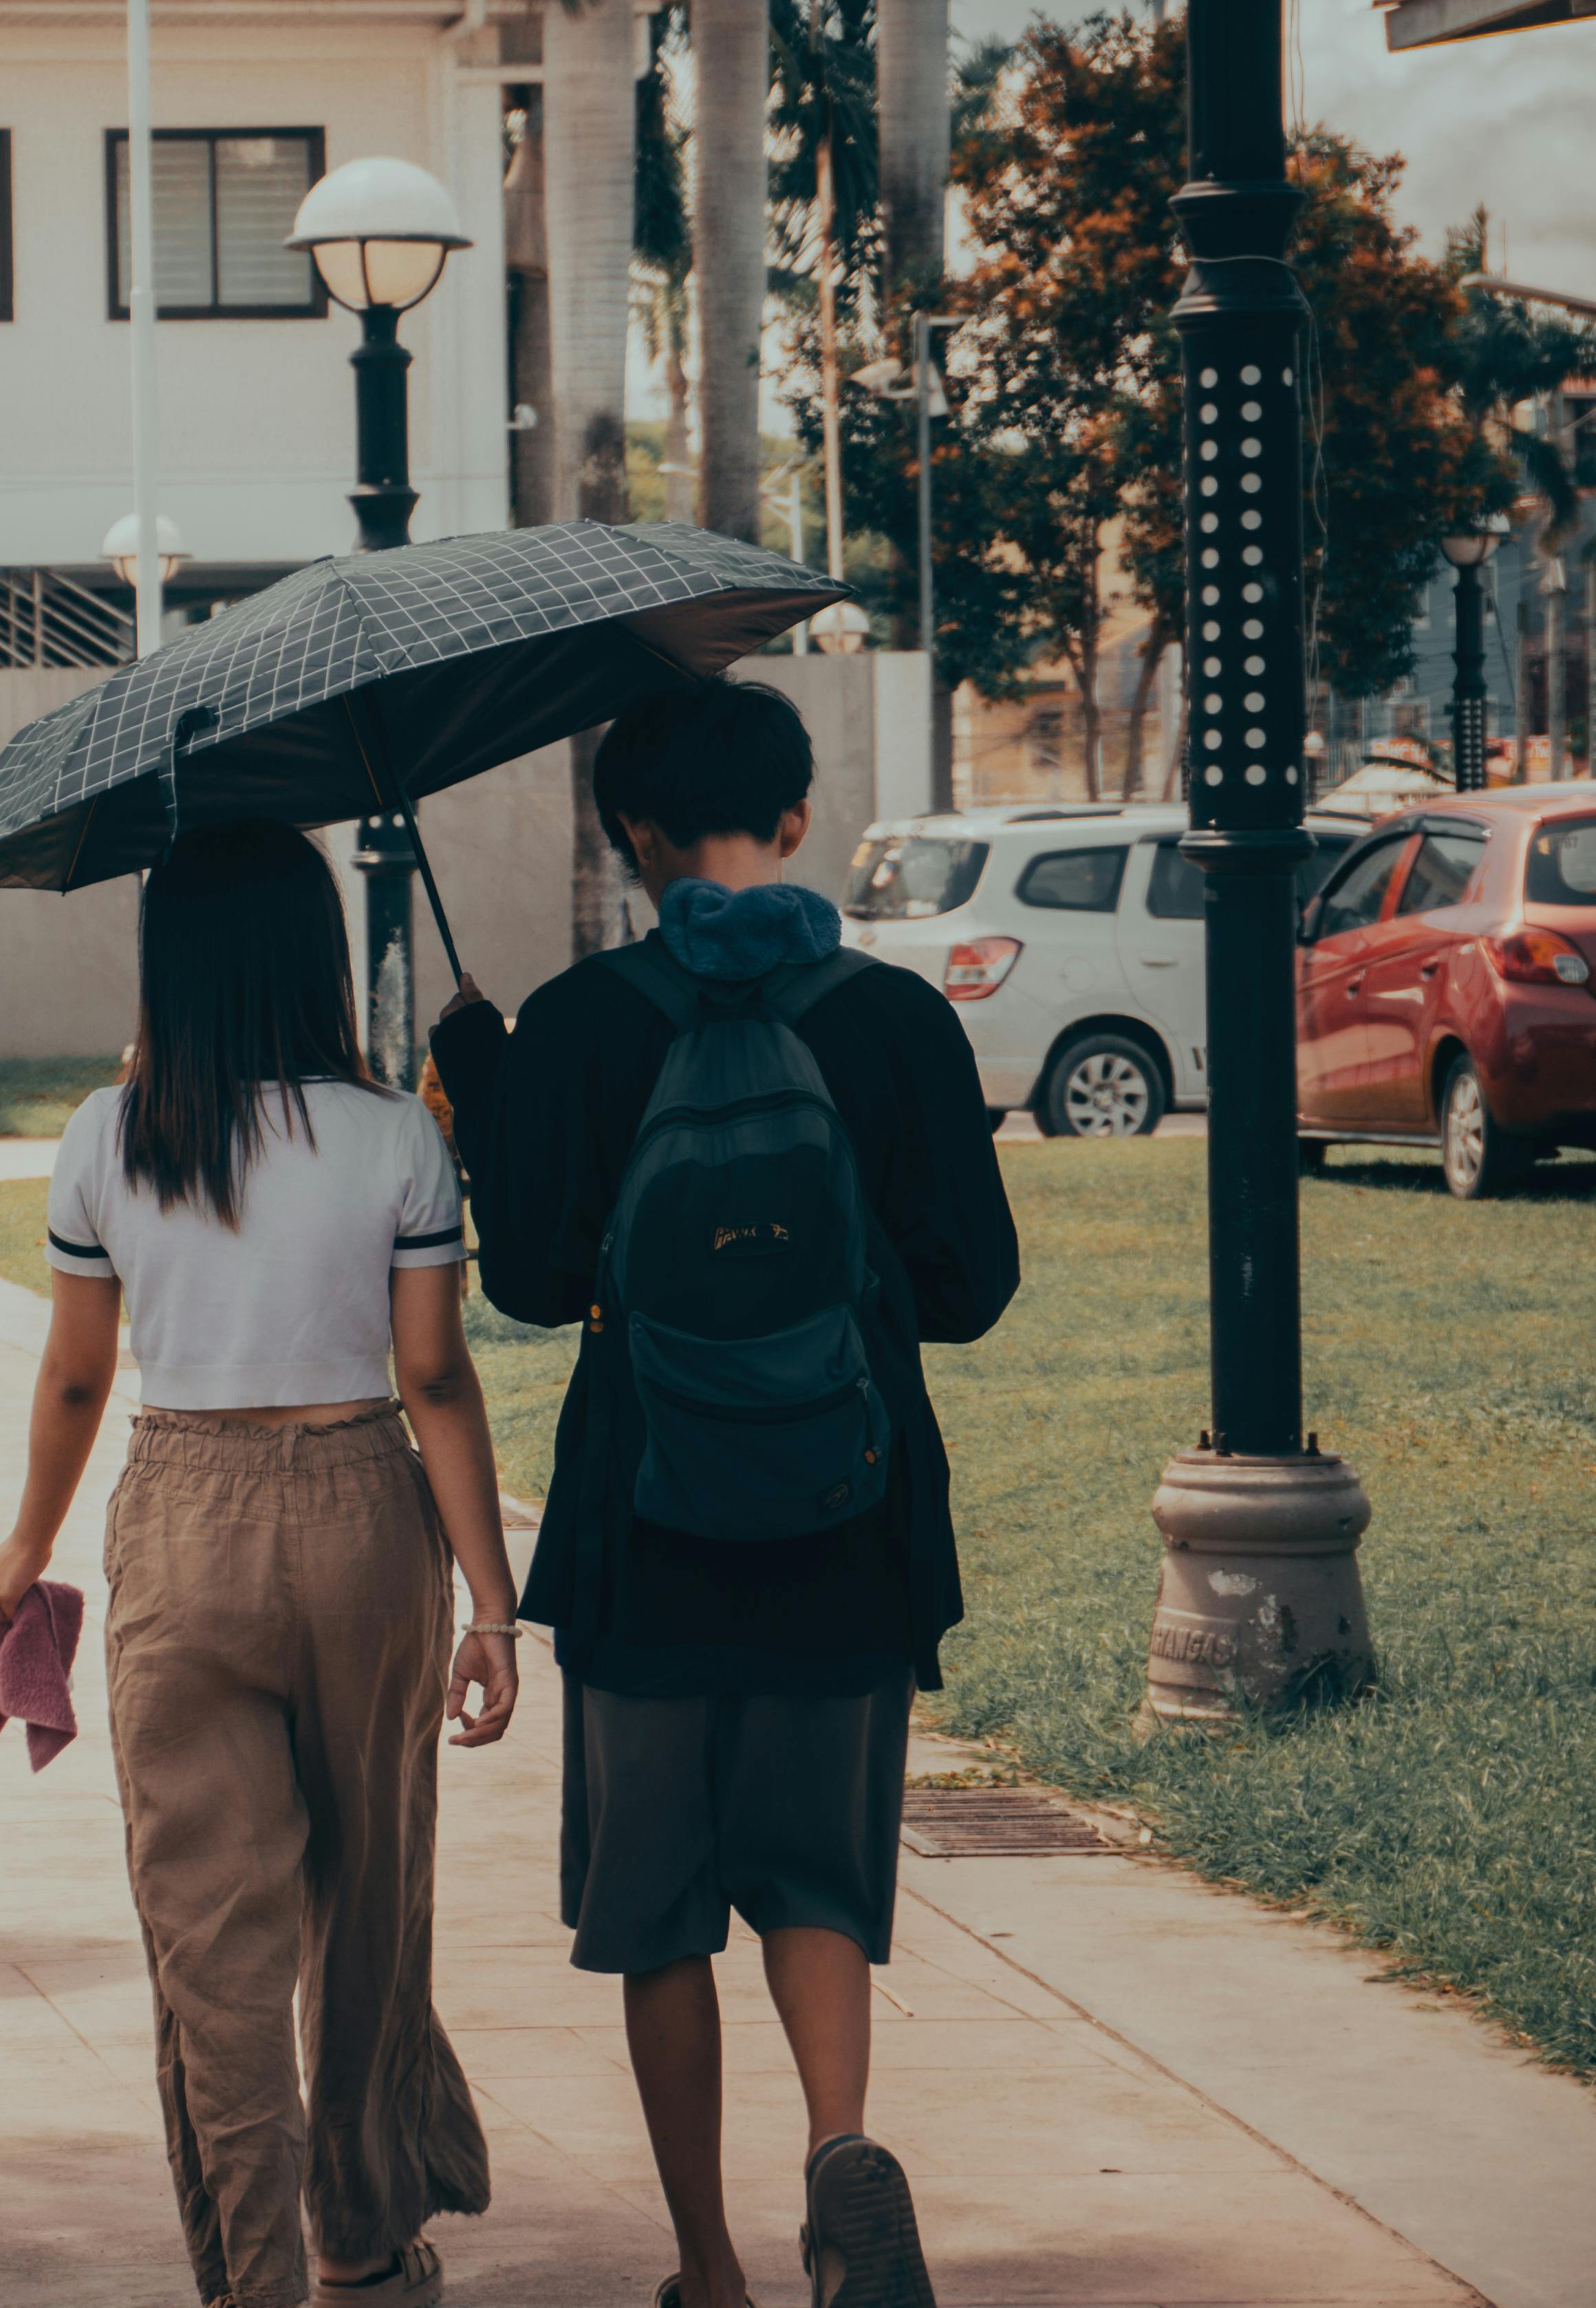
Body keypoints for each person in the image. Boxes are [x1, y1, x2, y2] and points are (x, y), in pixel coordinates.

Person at [427, 680, 1019, 2308]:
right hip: (853, 1512)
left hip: (646, 1524)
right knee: (819, 1876)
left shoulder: (585, 1018)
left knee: (662, 1907)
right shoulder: (893, 1018)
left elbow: (540, 1284)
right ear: (801, 812)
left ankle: (709, 2265)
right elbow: (974, 1287)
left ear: (630, 833)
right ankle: (842, 2156)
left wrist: (487, 1083)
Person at [0, 821, 522, 2308]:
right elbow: (436, 1373)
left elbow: (79, 1378)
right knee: (370, 1894)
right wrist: (492, 1597)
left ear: (173, 961)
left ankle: (258, 2276)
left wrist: (26, 1539)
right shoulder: (396, 1136)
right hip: (363, 1513)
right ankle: (359, 2226)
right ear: (313, 953)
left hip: (181, 1515)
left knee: (211, 1936)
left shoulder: (112, 1135)